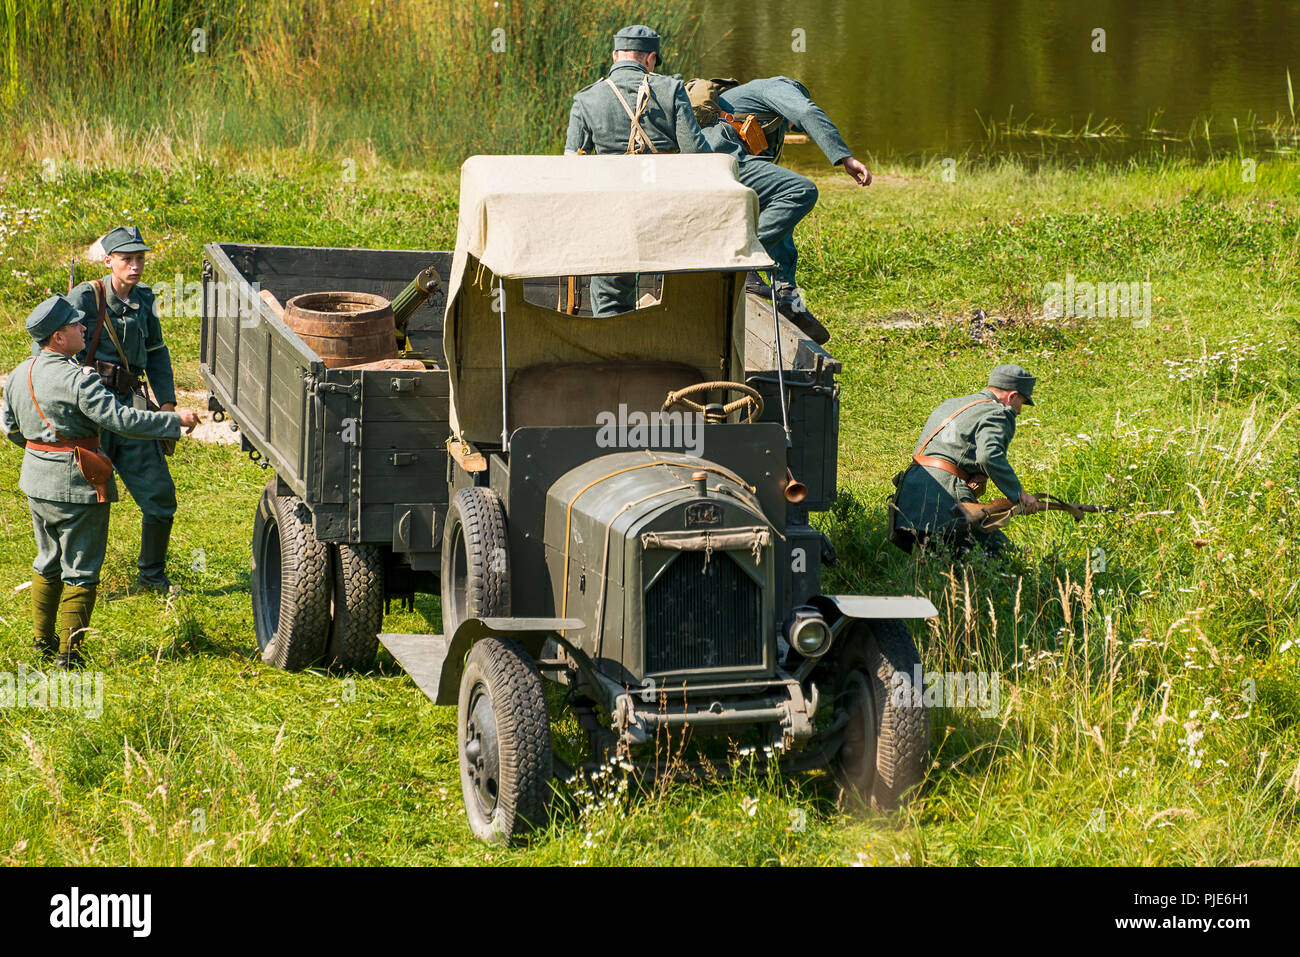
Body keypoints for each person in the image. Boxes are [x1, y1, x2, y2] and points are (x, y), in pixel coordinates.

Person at [3, 296, 199, 668]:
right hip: (79, 485)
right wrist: (174, 421)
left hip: (35, 482)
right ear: (59, 337)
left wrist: (43, 450)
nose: (83, 328)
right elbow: (122, 421)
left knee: (47, 562)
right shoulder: (78, 380)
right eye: (76, 326)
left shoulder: (19, 373)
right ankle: (68, 657)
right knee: (81, 569)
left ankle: (41, 644)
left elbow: (12, 429)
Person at [698, 77, 872, 345]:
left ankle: (784, 291)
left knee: (777, 204)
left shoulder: (748, 101)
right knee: (801, 191)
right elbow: (806, 112)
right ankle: (745, 259)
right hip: (722, 160)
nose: (790, 125)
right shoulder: (779, 87)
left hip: (714, 160)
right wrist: (844, 157)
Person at [64, 225, 183, 590]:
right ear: (109, 261)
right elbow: (51, 347)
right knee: (87, 501)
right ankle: (79, 579)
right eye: (127, 259)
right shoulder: (86, 297)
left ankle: (151, 575)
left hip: (131, 409)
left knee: (160, 495)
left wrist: (166, 402)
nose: (135, 266)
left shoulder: (144, 298)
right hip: (93, 410)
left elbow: (156, 352)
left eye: (140, 259)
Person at [564, 24, 710, 317]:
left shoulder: (587, 98)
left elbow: (572, 168)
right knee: (683, 299)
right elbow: (697, 156)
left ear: (615, 55)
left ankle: (612, 352)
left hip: (613, 213)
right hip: (668, 215)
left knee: (610, 301)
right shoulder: (671, 88)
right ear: (650, 58)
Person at [890, 364, 1042, 557]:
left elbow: (946, 451)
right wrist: (1020, 494)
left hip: (909, 498)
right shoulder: (998, 412)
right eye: (1022, 401)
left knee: (942, 567)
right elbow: (989, 455)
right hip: (944, 500)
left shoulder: (951, 404)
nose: (1019, 411)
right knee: (1005, 557)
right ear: (1012, 396)